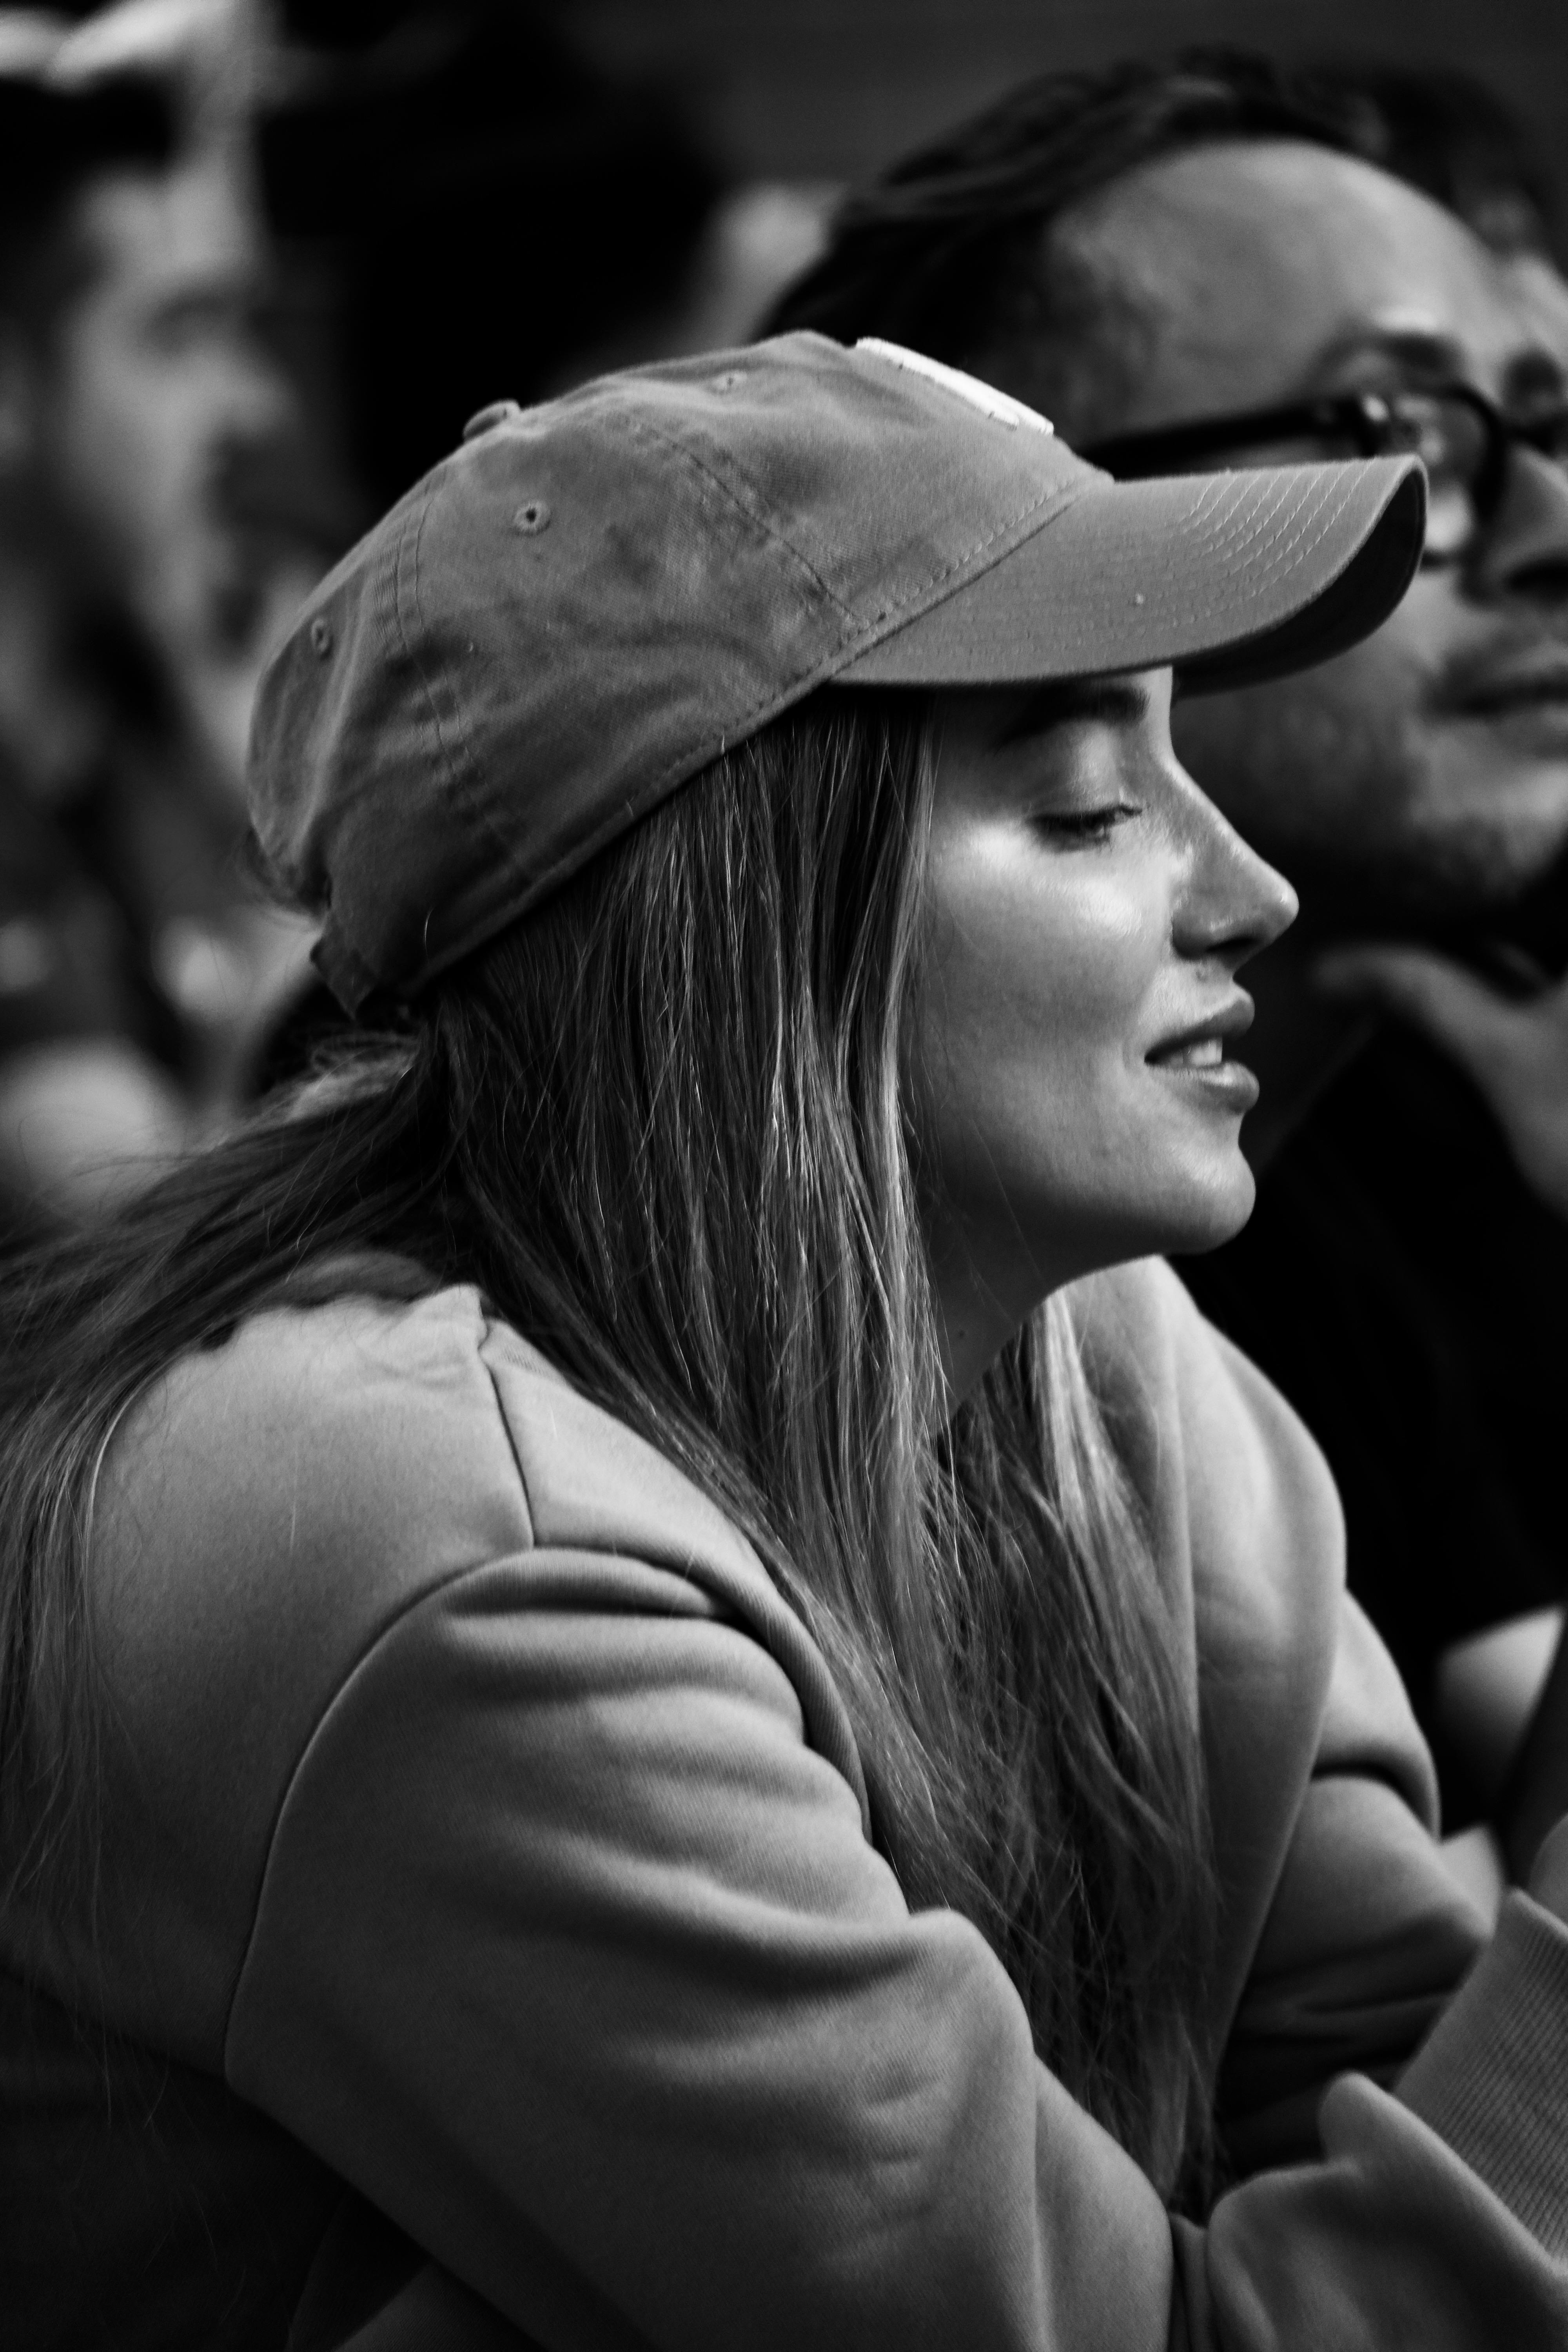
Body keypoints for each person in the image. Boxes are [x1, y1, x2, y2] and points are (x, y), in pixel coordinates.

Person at [2, 329, 1567, 2346]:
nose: (1247, 889)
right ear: (741, 922)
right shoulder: (452, 1562)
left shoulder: (1104, 1367)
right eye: (1092, 810)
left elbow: (1386, 2101)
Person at [767, 51, 1568, 1837]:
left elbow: (1399, 1997)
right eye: (1401, 437)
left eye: (1551, 432)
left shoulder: (1328, 1192)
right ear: (1018, 534)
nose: (1552, 539)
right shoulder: (611, 1336)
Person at [0, 4, 315, 1232]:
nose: (251, 404)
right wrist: (291, 813)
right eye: (180, 335)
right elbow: (148, 1249)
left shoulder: (149, 698)